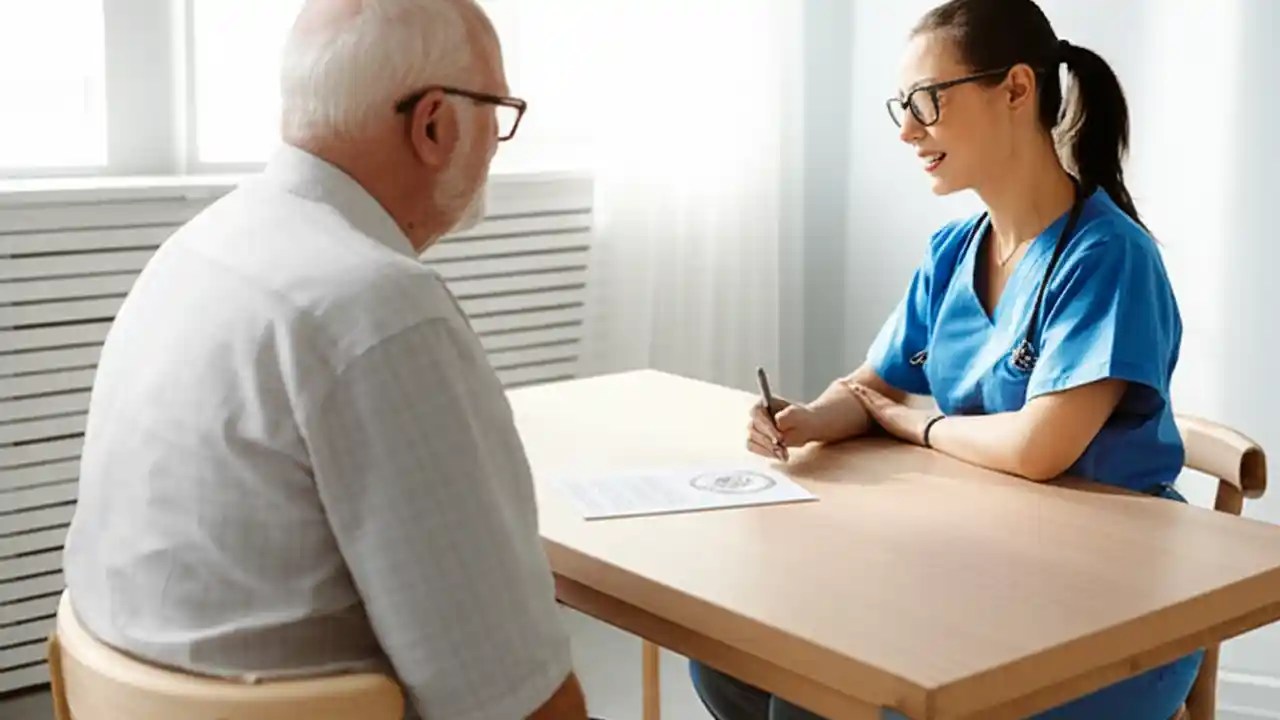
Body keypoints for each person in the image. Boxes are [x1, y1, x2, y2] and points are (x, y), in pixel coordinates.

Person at [61, 1, 591, 718]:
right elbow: (514, 701)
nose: (498, 142)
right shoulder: (381, 309)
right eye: (498, 110)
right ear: (433, 125)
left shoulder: (193, 251)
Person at [691, 0, 1202, 719]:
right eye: (901, 106)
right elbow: (871, 386)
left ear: (1016, 89)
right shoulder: (954, 252)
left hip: (1112, 607)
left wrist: (917, 425)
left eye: (927, 100)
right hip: (986, 566)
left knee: (823, 705)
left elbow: (1038, 448)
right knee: (730, 665)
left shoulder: (1109, 257)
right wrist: (808, 419)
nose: (907, 129)